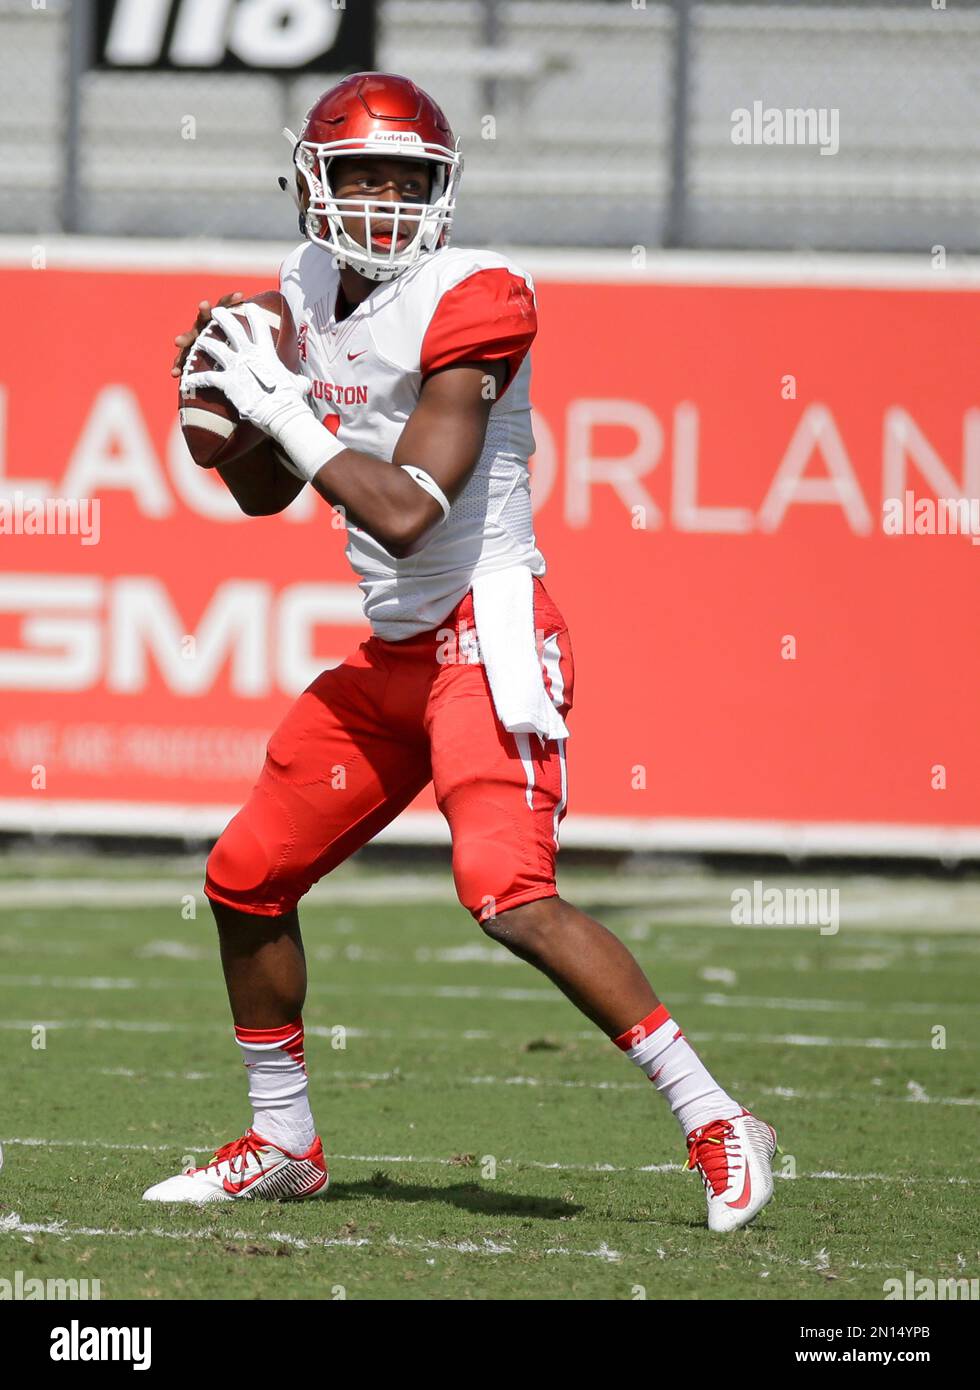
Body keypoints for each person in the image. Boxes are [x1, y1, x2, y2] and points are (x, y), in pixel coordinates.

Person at [143, 72, 777, 1232]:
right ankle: (283, 1140)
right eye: (359, 175)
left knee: (507, 894)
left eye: (407, 178)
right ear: (307, 181)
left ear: (442, 191)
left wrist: (282, 403)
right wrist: (226, 410)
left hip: (486, 631)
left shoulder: (480, 294)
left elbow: (405, 510)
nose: (383, 200)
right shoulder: (300, 287)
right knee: (244, 874)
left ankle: (717, 1117)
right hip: (394, 648)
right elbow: (260, 493)